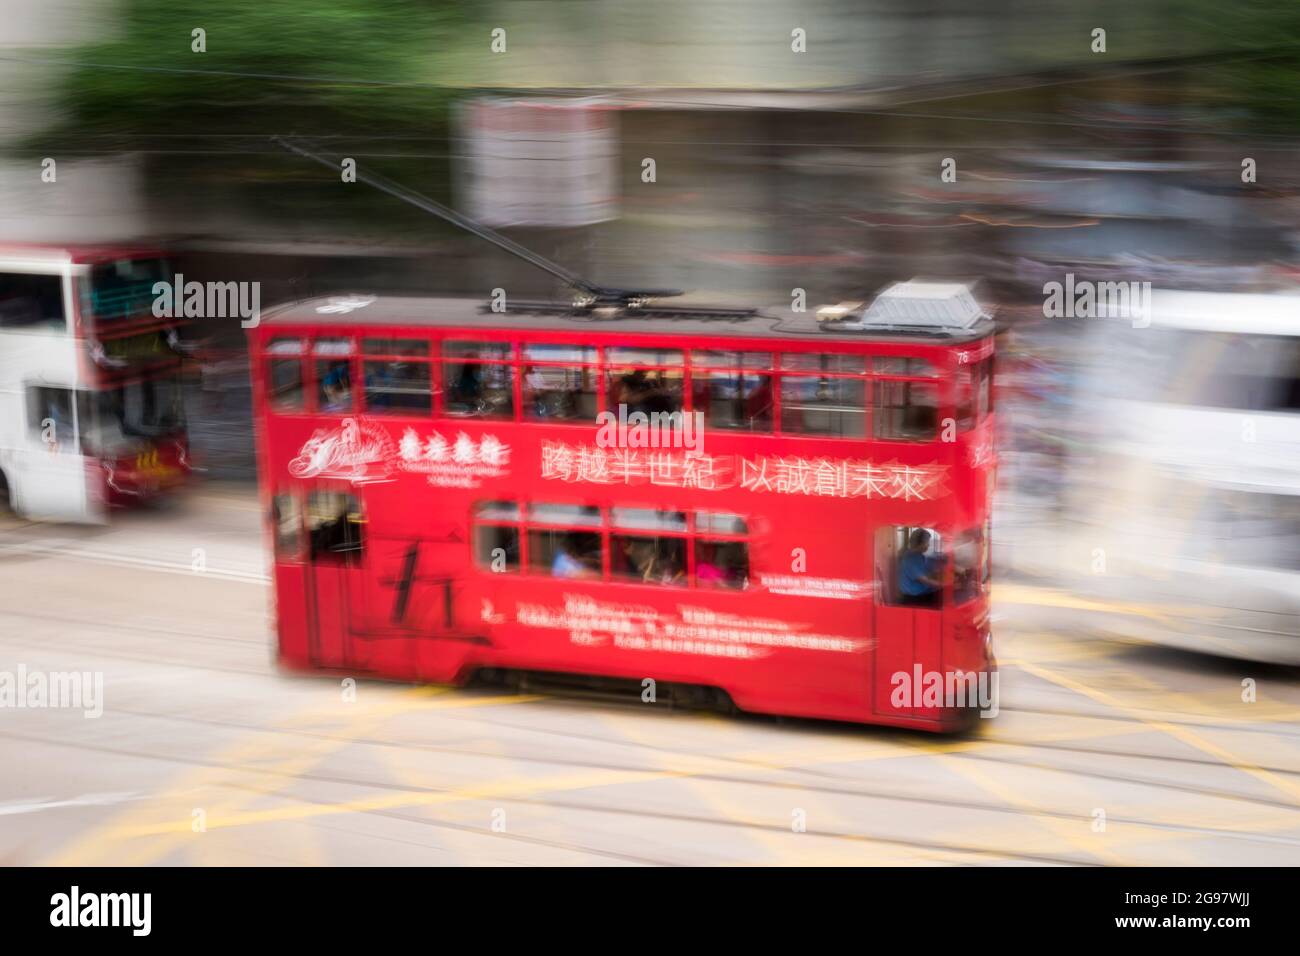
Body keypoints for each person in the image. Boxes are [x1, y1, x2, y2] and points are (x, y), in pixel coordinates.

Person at [898, 529, 942, 607]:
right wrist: (943, 585)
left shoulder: (919, 555)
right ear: (920, 543)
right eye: (927, 542)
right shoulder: (910, 558)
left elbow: (928, 568)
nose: (928, 545)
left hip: (923, 594)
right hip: (914, 599)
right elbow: (925, 580)